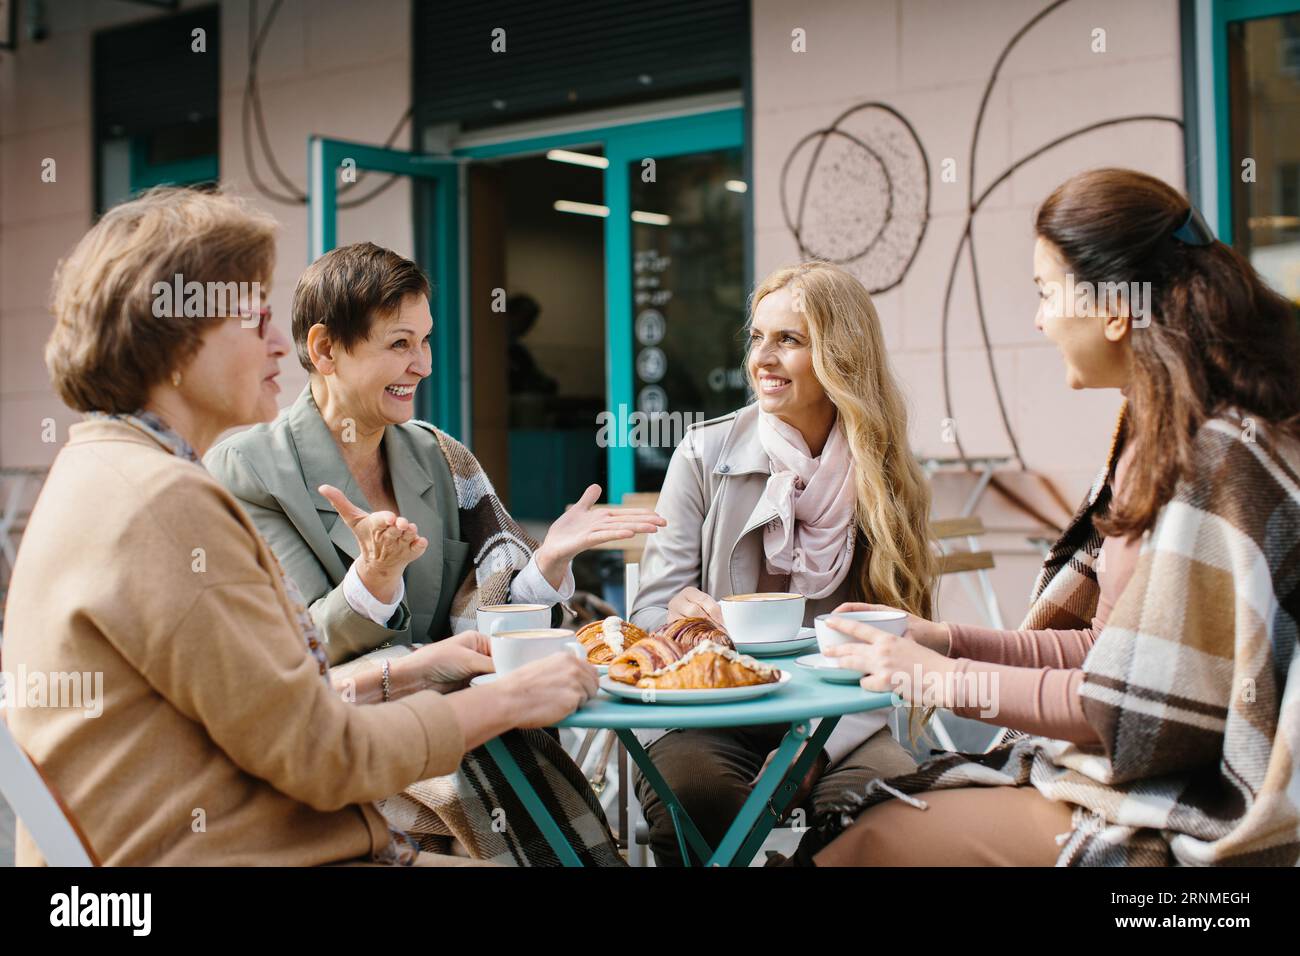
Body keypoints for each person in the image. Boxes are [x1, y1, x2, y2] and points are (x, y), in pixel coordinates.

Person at [4, 187, 597, 866]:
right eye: (255, 322)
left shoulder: (102, 469)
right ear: (175, 343)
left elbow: (272, 707)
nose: (279, 347)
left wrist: (409, 671)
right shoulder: (166, 502)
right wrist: (510, 700)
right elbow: (322, 756)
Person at [803, 168, 1300, 866]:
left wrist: (933, 677)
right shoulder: (1158, 438)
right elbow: (1109, 658)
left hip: (1186, 823)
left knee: (865, 847)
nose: (1039, 320)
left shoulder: (1213, 459)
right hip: (1130, 785)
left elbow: (1127, 709)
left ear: (1116, 310)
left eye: (1046, 293)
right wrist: (942, 640)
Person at [205, 241, 662, 861]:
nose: (421, 364)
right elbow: (289, 647)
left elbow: (480, 621)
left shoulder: (437, 454)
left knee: (517, 753)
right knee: (508, 765)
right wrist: (372, 580)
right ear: (323, 350)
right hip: (349, 737)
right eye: (398, 343)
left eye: (425, 341)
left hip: (464, 720)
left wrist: (548, 562)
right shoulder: (248, 469)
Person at [628, 261, 932, 865]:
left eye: (788, 340)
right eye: (757, 337)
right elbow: (647, 611)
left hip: (835, 713)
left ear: (840, 356)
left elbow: (900, 641)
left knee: (895, 810)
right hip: (707, 710)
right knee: (699, 801)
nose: (762, 358)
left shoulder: (884, 474)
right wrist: (678, 612)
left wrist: (815, 748)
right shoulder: (704, 451)